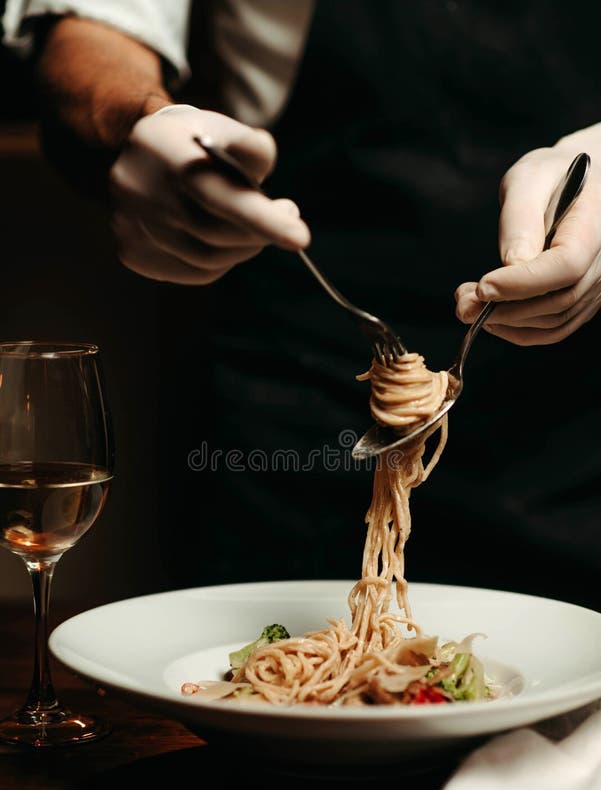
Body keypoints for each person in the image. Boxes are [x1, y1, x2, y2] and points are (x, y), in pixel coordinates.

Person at [4, 1, 601, 606]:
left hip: (571, 434)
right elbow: (92, 26)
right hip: (280, 403)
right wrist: (141, 120)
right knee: (251, 676)